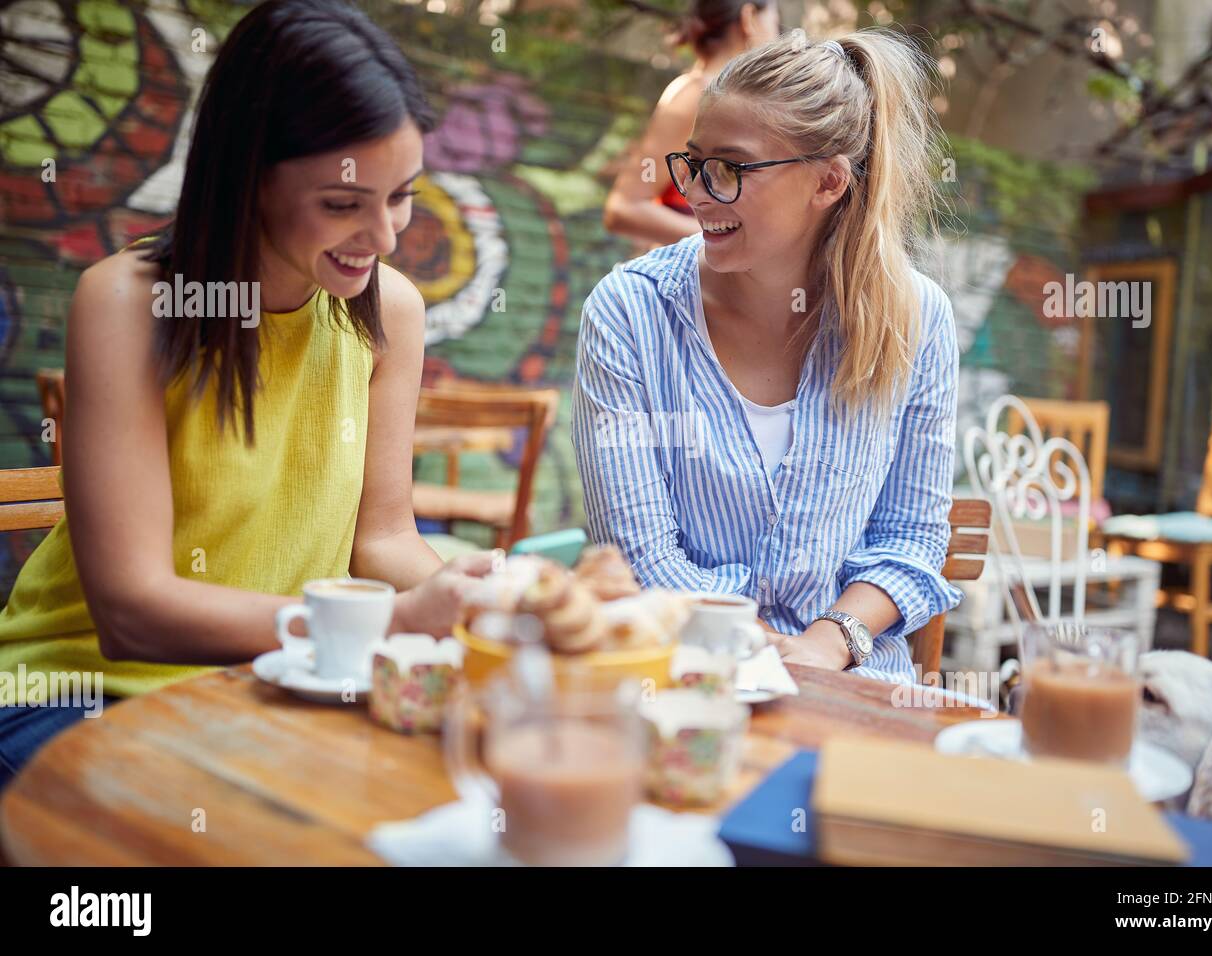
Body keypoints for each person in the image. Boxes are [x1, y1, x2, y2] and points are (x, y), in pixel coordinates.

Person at [0, 0, 489, 790]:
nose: (386, 236)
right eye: (343, 204)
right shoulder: (130, 303)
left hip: (275, 684)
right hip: (76, 695)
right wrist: (384, 625)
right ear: (247, 174)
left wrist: (476, 601)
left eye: (403, 195)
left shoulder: (389, 309)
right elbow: (131, 611)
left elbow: (383, 538)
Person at [573, 31, 963, 684]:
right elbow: (642, 557)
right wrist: (761, 655)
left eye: (731, 168)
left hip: (848, 684)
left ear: (828, 181)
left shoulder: (918, 320)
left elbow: (911, 539)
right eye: (693, 161)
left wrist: (825, 644)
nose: (697, 192)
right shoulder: (628, 313)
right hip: (683, 678)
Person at [602, 0, 780, 250]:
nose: (777, 37)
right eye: (774, 24)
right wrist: (729, 234)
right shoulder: (694, 94)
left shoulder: (738, 101)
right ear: (749, 18)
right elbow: (623, 209)